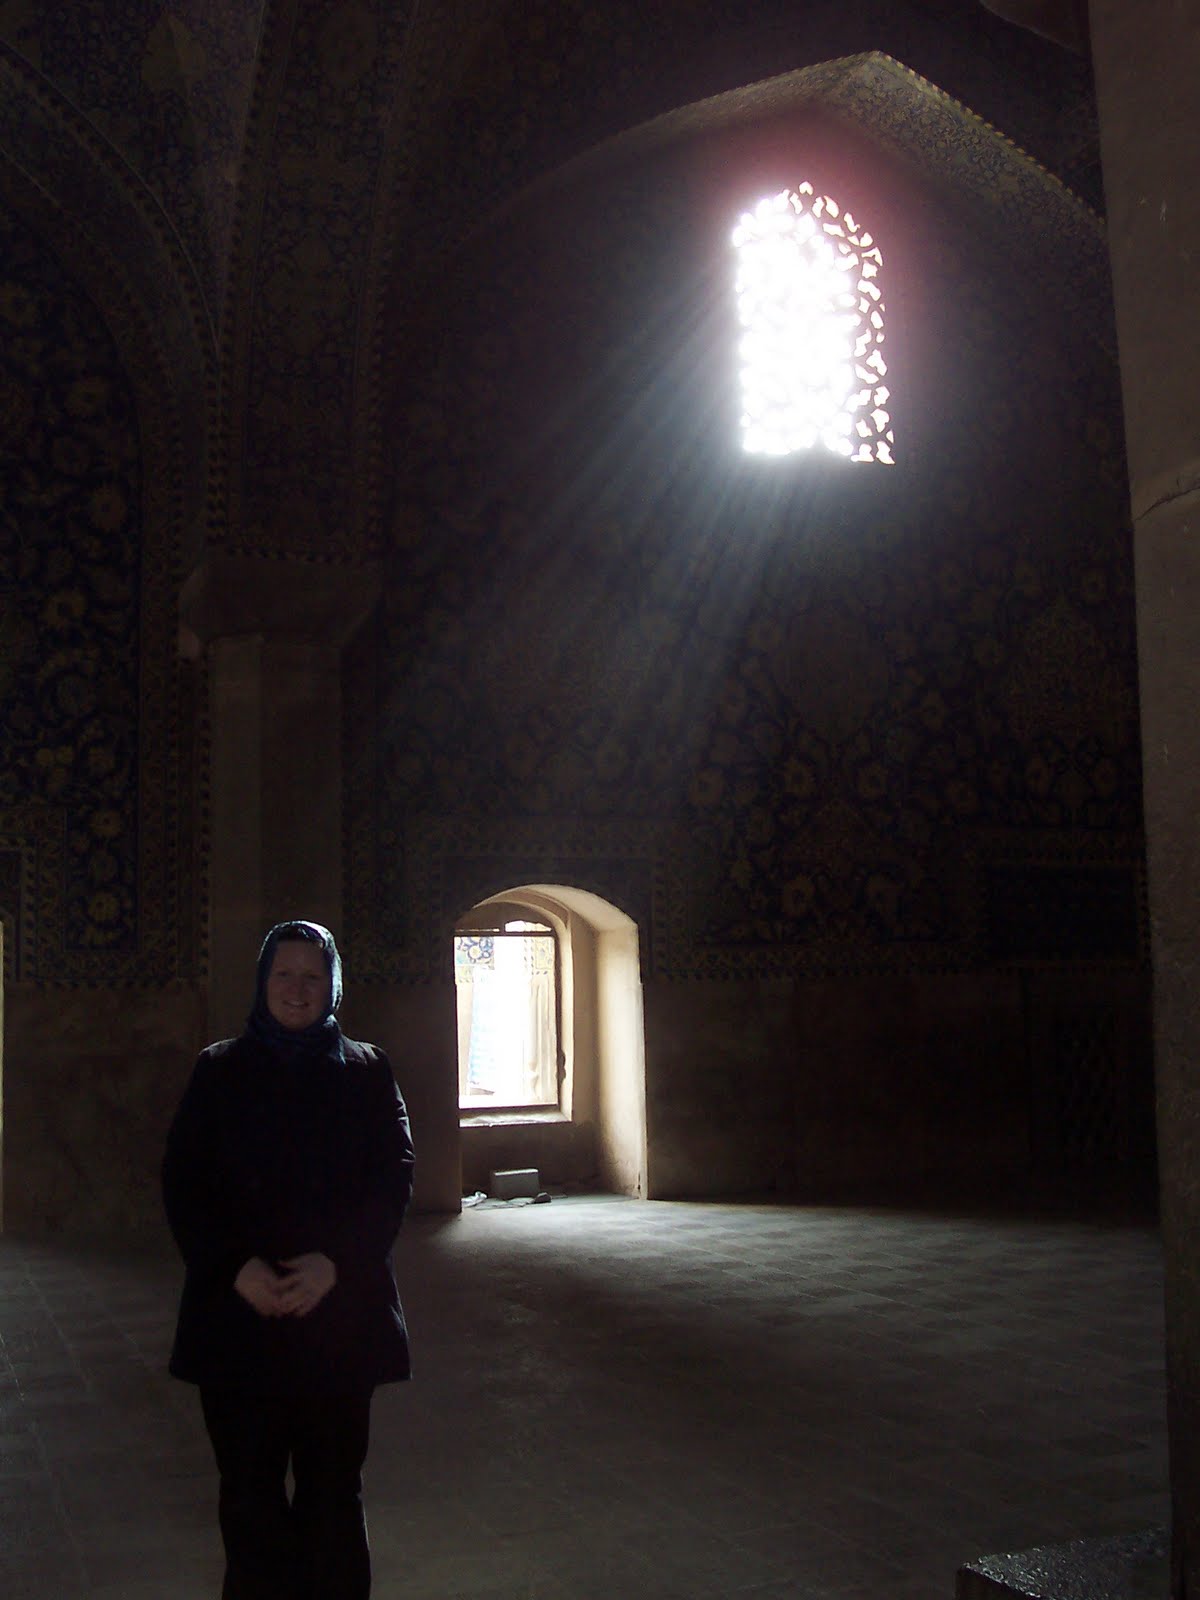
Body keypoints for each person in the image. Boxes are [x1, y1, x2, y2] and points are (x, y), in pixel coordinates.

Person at [162, 920, 415, 1600]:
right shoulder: (219, 1070)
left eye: (312, 976)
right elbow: (185, 1182)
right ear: (262, 981)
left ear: (333, 985)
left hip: (335, 1322)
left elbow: (392, 1178)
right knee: (249, 1498)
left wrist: (337, 1262)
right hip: (240, 1324)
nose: (297, 990)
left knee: (333, 1497)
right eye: (283, 974)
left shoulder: (367, 1070)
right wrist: (233, 1266)